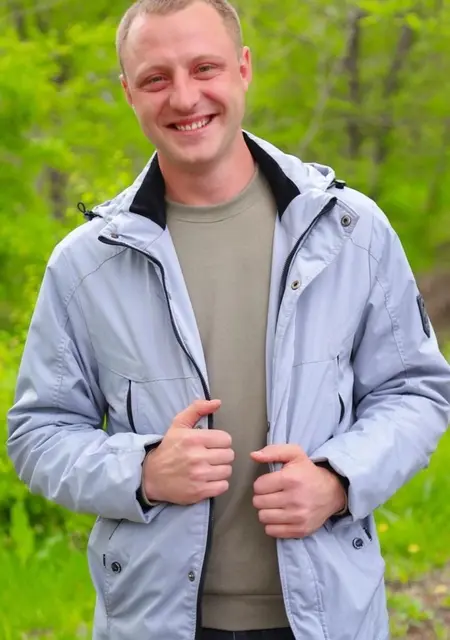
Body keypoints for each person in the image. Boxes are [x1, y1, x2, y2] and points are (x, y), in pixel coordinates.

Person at [7, 0, 450, 639]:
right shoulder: (86, 264)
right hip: (154, 623)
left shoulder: (351, 231)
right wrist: (142, 471)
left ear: (243, 68)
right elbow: (38, 432)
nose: (185, 97)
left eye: (204, 68)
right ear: (128, 91)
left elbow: (416, 390)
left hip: (329, 619)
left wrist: (337, 479)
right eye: (156, 78)